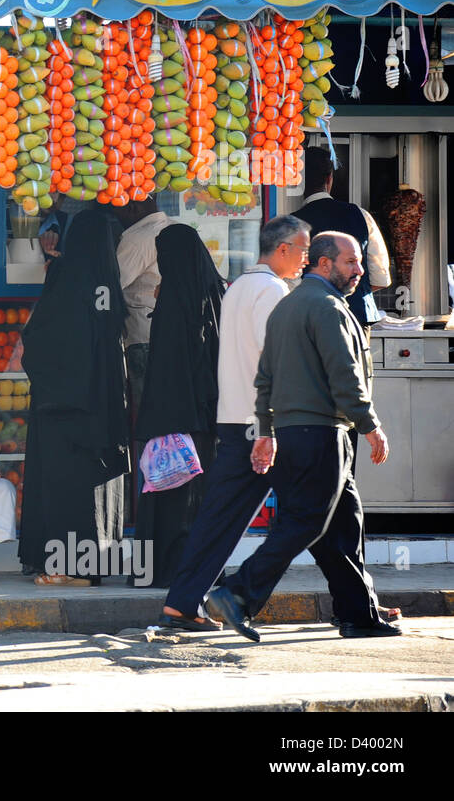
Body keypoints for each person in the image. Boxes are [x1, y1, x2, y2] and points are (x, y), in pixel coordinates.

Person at [205, 232, 401, 642]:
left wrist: (267, 430)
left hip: (297, 434)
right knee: (306, 521)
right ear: (324, 264)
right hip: (322, 433)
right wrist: (370, 424)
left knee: (344, 525)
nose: (359, 270)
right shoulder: (327, 308)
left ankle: (359, 615)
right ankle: (237, 594)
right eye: (350, 262)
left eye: (359, 262)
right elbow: (344, 375)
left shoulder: (288, 305)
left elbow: (265, 378)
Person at [156, 215, 310, 629]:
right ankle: (354, 601)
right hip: (264, 425)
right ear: (282, 250)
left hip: (234, 419)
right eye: (303, 250)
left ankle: (183, 602)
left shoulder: (239, 286)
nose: (305, 260)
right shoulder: (274, 291)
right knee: (317, 511)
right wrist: (269, 428)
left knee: (220, 519)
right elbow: (272, 363)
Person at [18, 211, 131, 586]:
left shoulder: (69, 277)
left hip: (62, 408)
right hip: (103, 405)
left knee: (61, 487)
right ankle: (93, 565)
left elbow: (39, 338)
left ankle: (66, 567)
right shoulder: (110, 285)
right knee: (95, 485)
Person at [131, 224, 227, 589]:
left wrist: (155, 419)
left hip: (175, 416)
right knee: (201, 498)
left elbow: (167, 367)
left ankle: (165, 569)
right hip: (208, 415)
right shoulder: (215, 291)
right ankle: (201, 568)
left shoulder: (173, 296)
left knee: (170, 497)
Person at [292, 147, 391, 331]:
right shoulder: (361, 215)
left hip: (311, 320)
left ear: (298, 181)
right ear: (329, 178)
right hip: (357, 318)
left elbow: (290, 282)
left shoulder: (292, 224)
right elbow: (380, 277)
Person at [113, 196, 172, 413]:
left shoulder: (138, 239)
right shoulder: (175, 228)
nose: (115, 215)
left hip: (142, 338)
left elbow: (112, 284)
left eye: (115, 208)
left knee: (147, 415)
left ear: (132, 206)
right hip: (169, 336)